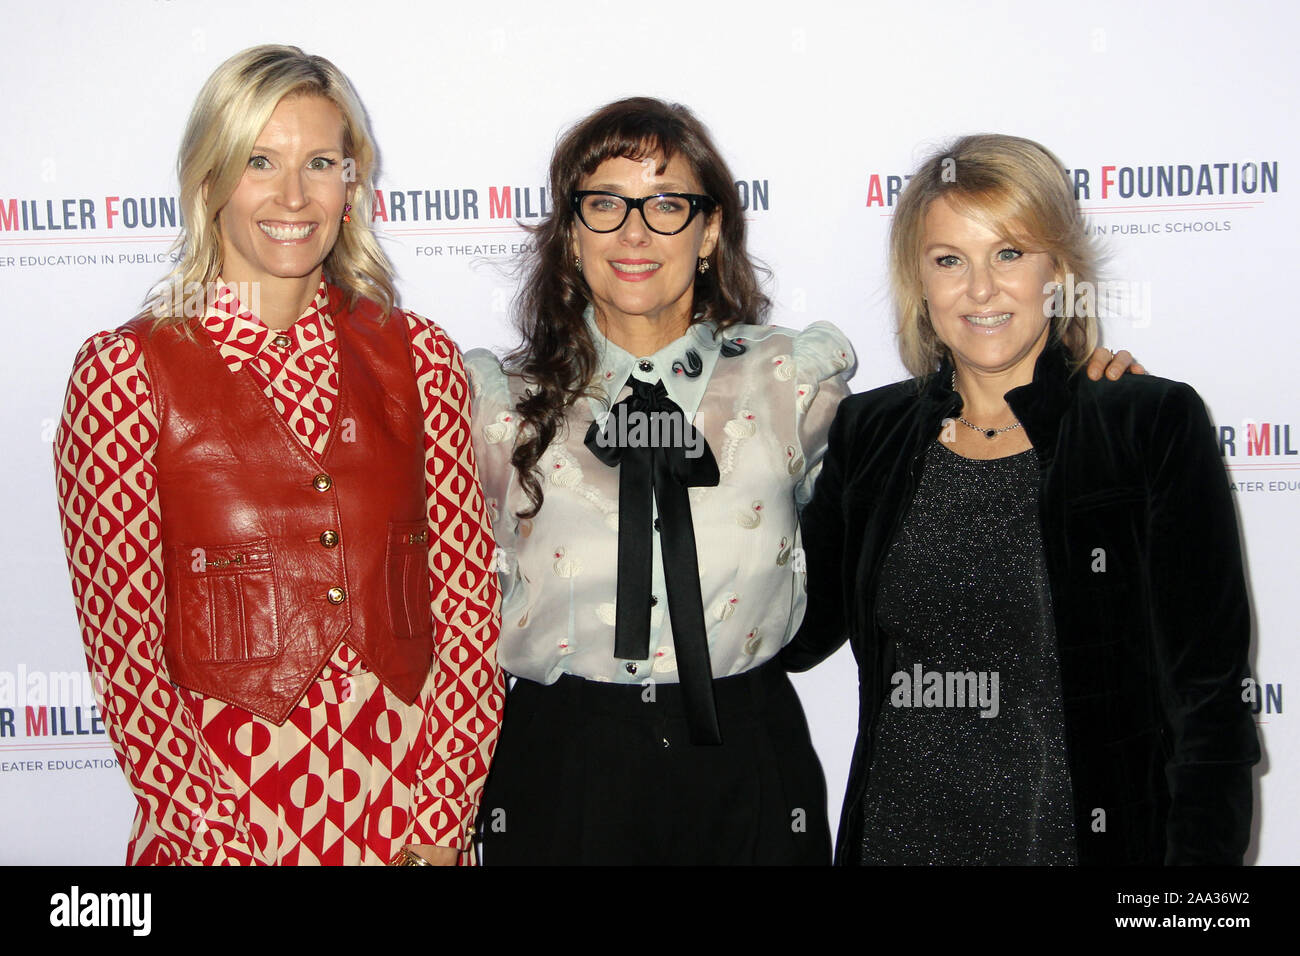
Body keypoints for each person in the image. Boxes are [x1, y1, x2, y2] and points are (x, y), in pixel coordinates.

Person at [466, 102, 1138, 865]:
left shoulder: (791, 381)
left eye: (665, 205)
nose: (634, 233)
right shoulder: (493, 404)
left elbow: (921, 476)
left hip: (749, 760)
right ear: (572, 233)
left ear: (709, 229)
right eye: (604, 204)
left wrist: (1081, 394)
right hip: (561, 767)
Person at [54, 45, 502, 866]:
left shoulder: (421, 360)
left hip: (405, 823)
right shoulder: (126, 376)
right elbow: (128, 664)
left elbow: (469, 616)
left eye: (321, 163)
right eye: (260, 161)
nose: (294, 196)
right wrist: (217, 847)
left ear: (352, 184)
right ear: (210, 180)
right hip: (222, 828)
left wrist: (439, 828)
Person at [784, 133, 1259, 865]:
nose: (980, 290)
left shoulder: (1145, 425)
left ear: (1059, 270)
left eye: (1009, 254)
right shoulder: (870, 432)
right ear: (920, 281)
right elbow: (796, 633)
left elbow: (1209, 700)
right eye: (949, 260)